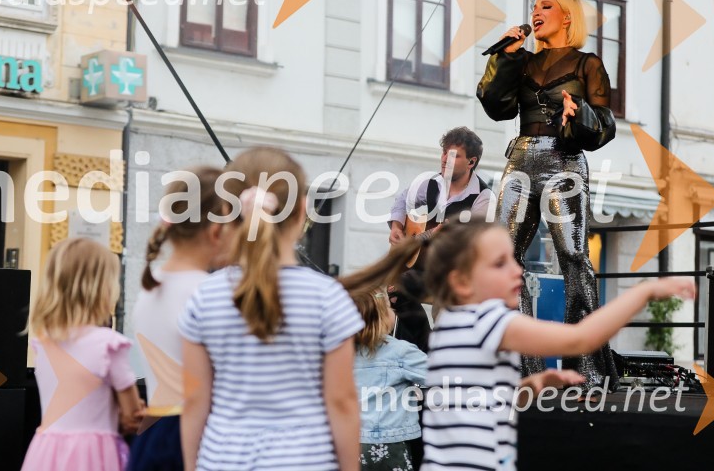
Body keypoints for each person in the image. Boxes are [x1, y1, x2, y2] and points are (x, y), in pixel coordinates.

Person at [419, 219, 694, 471]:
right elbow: (581, 338)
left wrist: (533, 385)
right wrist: (644, 291)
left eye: (515, 260)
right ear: (462, 283)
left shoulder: (449, 326)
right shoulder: (487, 320)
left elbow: (485, 403)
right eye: (500, 263)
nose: (518, 270)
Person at [178, 147, 365, 471]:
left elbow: (195, 401)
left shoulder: (203, 297)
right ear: (303, 211)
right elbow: (342, 403)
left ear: (227, 212)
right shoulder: (327, 298)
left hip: (222, 461)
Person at [476, 0, 618, 388]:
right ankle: (521, 367)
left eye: (545, 7)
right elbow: (494, 103)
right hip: (520, 159)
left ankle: (584, 368)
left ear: (567, 17)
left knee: (573, 257)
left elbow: (606, 124)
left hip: (564, 159)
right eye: (534, 7)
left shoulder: (588, 64)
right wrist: (505, 55)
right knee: (504, 257)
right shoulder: (522, 61)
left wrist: (581, 114)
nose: (535, 13)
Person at [128, 167, 231, 471]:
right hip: (195, 438)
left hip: (151, 435)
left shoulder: (151, 285)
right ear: (217, 230)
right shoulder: (208, 293)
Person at [22, 237, 144, 471]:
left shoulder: (44, 344)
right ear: (101, 288)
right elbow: (133, 416)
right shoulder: (109, 345)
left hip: (45, 454)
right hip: (93, 457)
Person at [387, 126, 494, 352]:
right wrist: (397, 225)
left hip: (457, 272)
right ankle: (423, 351)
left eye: (454, 155)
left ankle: (442, 358)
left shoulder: (483, 199)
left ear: (471, 162)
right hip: (425, 267)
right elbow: (403, 199)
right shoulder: (430, 183)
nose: (445, 159)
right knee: (395, 291)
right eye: (445, 152)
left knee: (446, 310)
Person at [348, 287, 428, 471]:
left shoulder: (343, 353)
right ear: (383, 316)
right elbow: (438, 375)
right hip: (391, 442)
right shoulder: (400, 351)